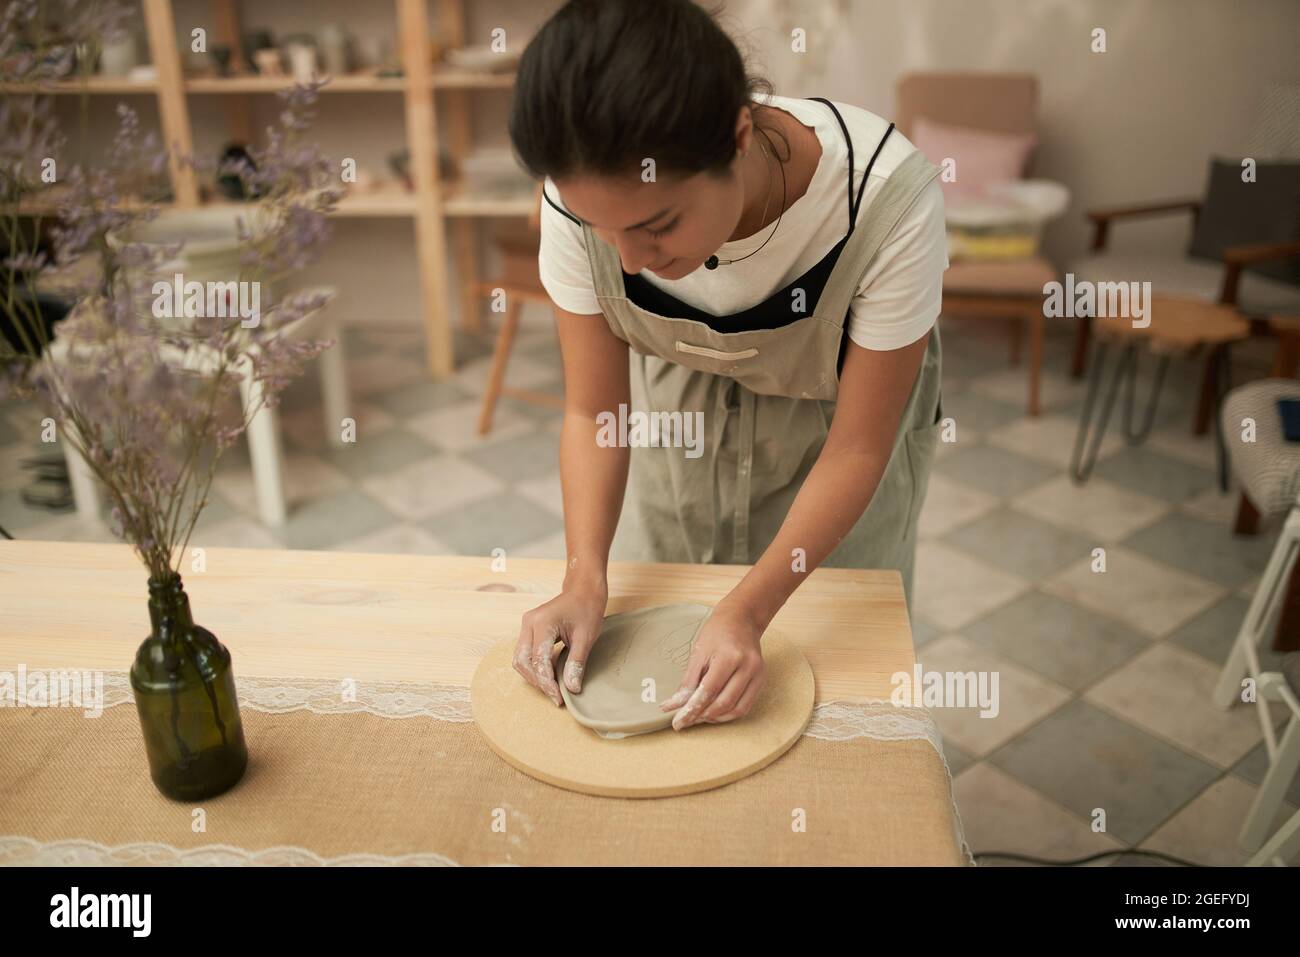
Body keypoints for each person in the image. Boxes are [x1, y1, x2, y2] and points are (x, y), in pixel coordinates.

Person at [506, 0, 947, 730]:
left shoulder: (887, 201)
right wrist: (584, 576)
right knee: (665, 687)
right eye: (600, 230)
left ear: (740, 135)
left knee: (827, 704)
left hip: (836, 443)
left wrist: (749, 608)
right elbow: (594, 412)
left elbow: (861, 445)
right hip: (684, 436)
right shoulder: (578, 192)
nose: (629, 261)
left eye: (657, 225)